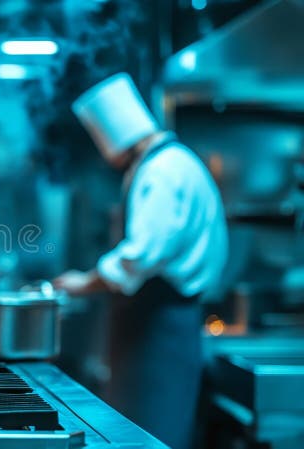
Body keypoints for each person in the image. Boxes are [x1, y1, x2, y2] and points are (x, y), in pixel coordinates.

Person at [52, 73, 228, 449]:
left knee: (148, 437)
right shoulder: (170, 163)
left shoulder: (162, 172)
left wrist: (84, 283)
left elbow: (140, 255)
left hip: (160, 329)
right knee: (137, 433)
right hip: (154, 324)